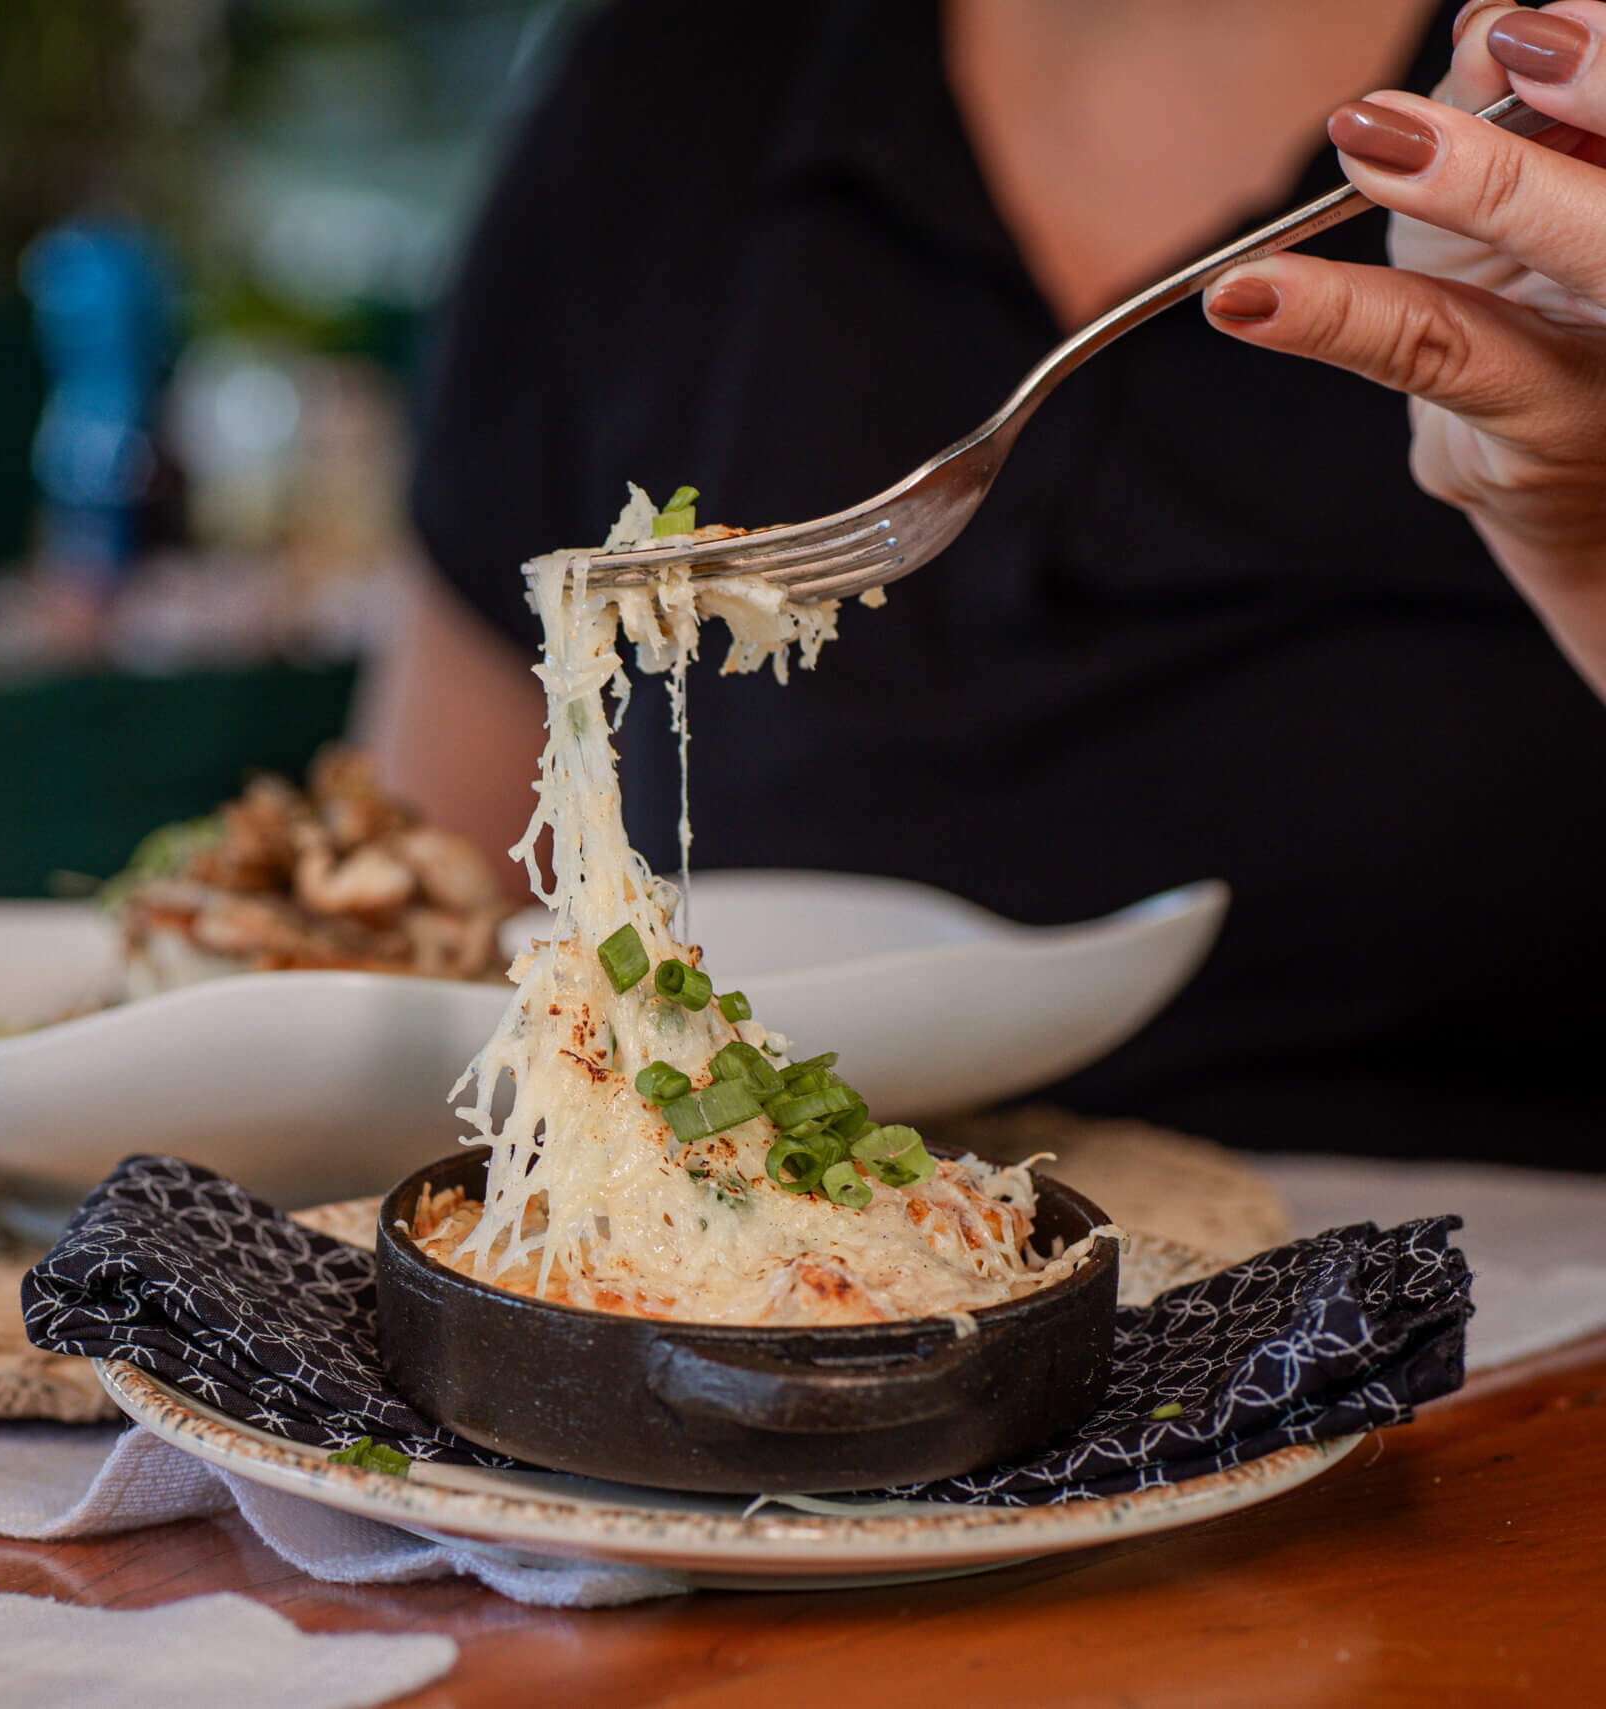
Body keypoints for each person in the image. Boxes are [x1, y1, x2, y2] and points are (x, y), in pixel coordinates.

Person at [366, 0, 1606, 1163]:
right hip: (727, 1323)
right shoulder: (674, 78)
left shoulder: (1561, 111)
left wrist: (1576, 555)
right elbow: (426, 916)